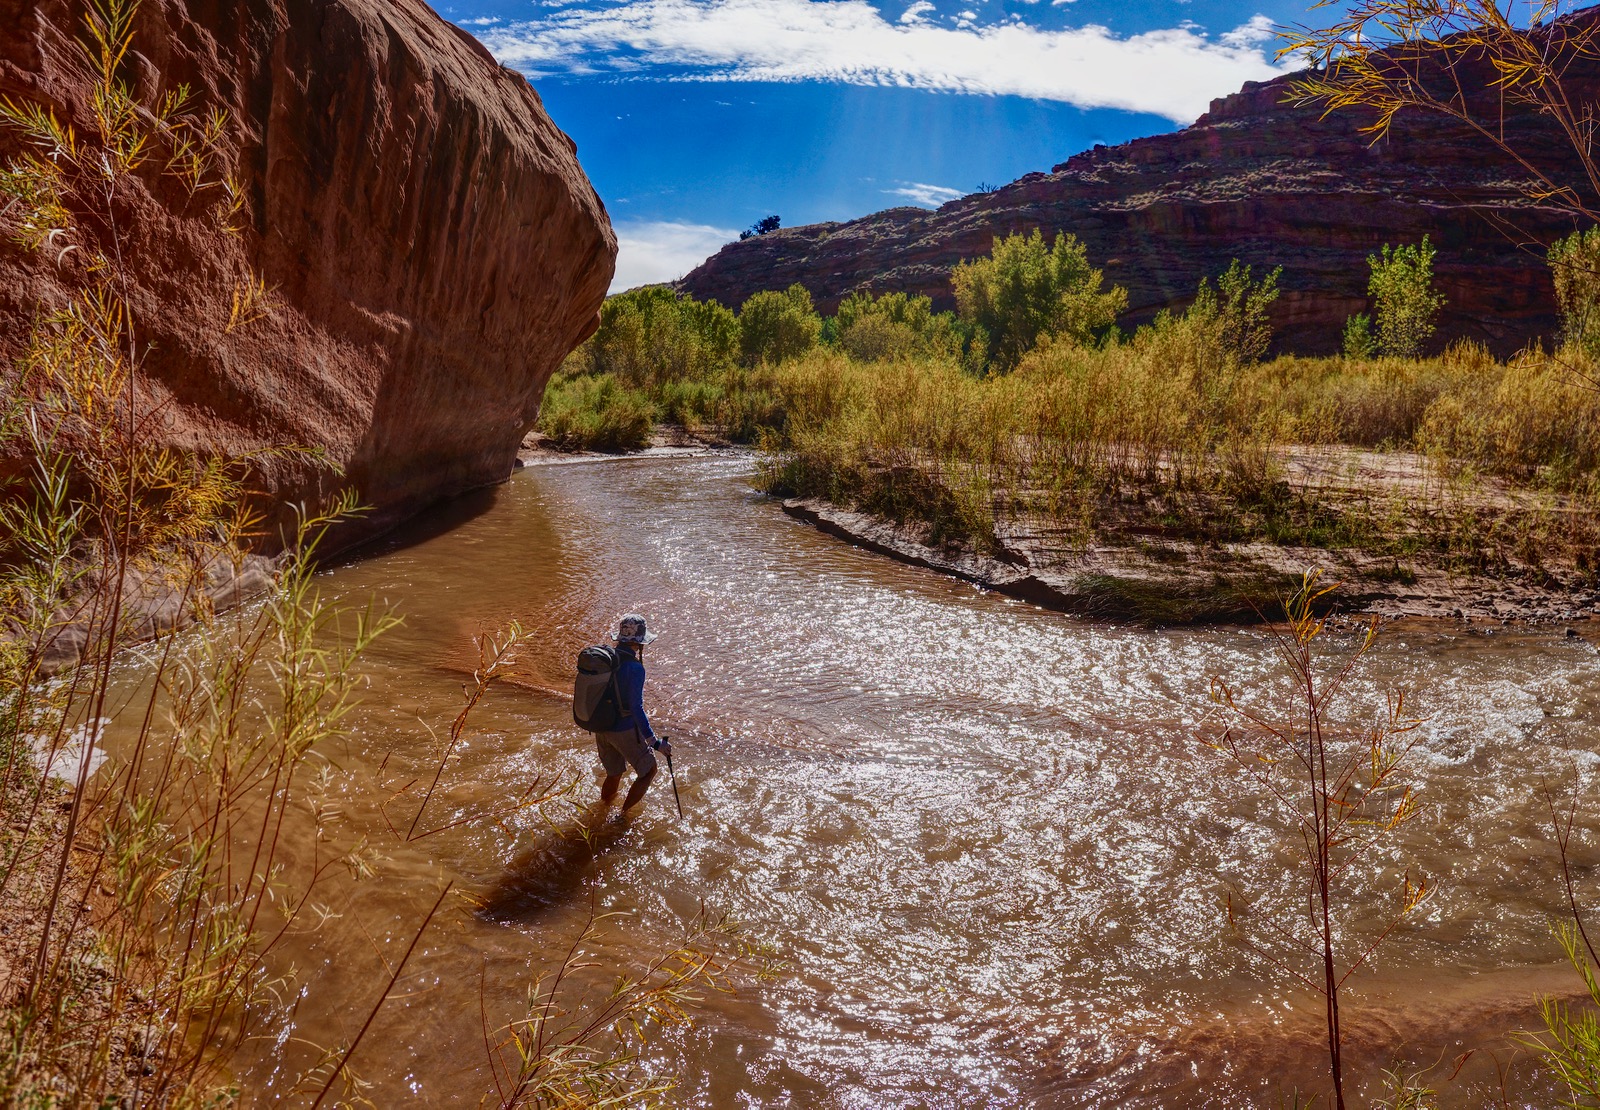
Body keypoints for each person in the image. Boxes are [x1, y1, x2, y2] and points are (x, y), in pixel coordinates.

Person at [595, 614, 671, 811]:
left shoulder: (606, 658)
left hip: (601, 726)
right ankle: (621, 818)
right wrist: (654, 742)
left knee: (614, 772)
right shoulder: (635, 668)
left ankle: (602, 809)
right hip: (623, 728)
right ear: (639, 644)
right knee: (649, 771)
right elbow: (636, 707)